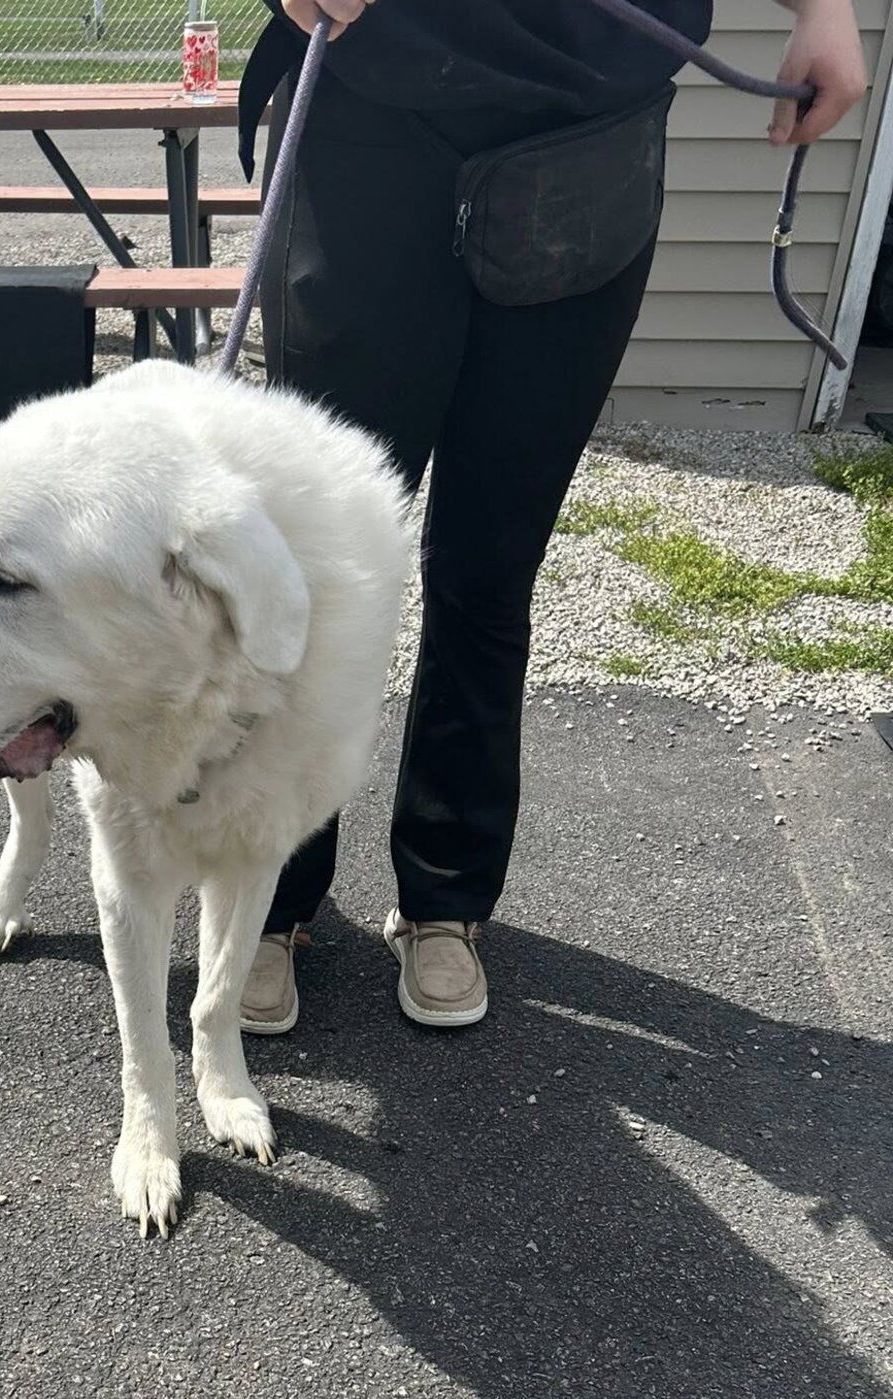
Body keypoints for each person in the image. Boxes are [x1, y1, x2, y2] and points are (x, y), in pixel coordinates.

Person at [237, 0, 867, 1035]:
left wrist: (826, 7)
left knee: (490, 564)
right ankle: (270, 891)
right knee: (322, 562)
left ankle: (446, 898)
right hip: (372, 103)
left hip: (586, 133)